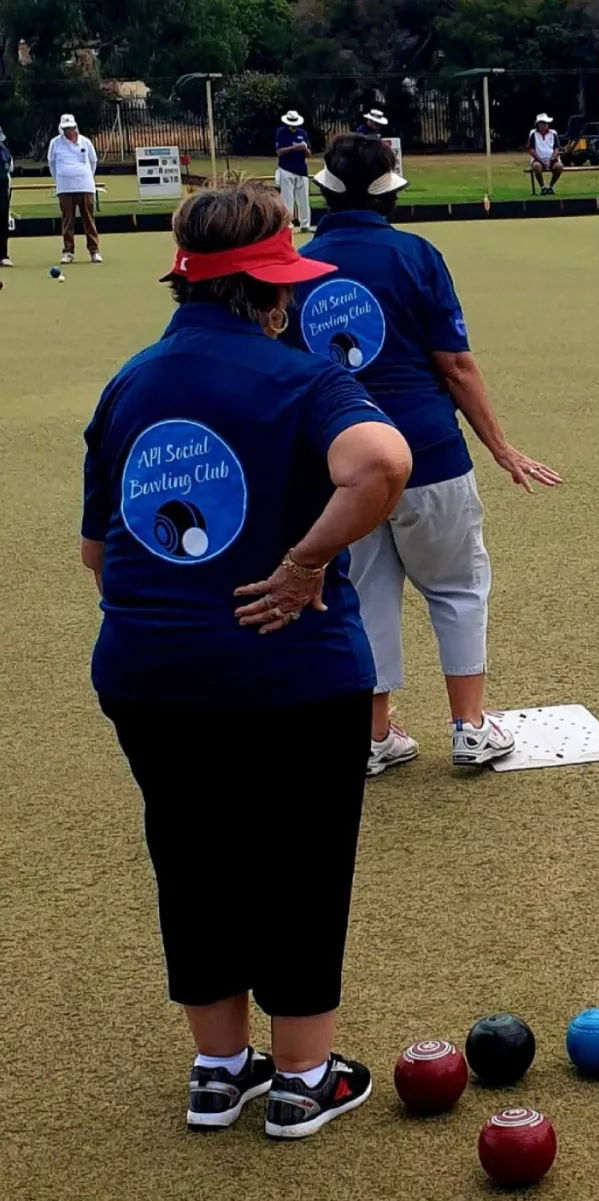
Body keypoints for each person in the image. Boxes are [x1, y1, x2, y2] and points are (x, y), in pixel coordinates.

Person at [81, 180, 413, 1137]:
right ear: (270, 293)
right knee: (300, 862)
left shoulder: (130, 384)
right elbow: (381, 464)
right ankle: (305, 1080)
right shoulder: (306, 378)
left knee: (191, 857)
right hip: (292, 672)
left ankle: (219, 1072)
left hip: (148, 672)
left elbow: (100, 554)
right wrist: (305, 561)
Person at [291, 135, 561, 774]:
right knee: (458, 587)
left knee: (364, 595)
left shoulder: (299, 268)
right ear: (391, 194)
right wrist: (500, 448)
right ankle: (470, 728)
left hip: (342, 467)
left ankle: (374, 736)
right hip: (430, 456)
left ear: (326, 193)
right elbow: (456, 365)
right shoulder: (417, 255)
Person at [48, 113, 101, 263]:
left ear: (75, 126)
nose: (68, 131)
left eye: (70, 128)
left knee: (88, 219)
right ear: (61, 129)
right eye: (65, 129)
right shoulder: (55, 143)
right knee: (67, 221)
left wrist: (86, 177)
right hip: (64, 187)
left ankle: (94, 251)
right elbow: (51, 164)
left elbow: (93, 161)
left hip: (85, 185)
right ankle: (68, 252)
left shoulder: (85, 142)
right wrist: (60, 179)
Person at [275, 110, 313, 233]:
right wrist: (295, 147)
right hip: (286, 169)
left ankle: (305, 224)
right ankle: (288, 225)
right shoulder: (281, 132)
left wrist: (304, 149)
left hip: (301, 170)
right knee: (287, 199)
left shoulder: (302, 133)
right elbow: (279, 151)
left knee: (303, 199)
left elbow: (309, 154)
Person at [528, 114, 562, 195]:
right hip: (538, 159)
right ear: (538, 125)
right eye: (543, 123)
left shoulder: (553, 133)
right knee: (537, 166)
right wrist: (542, 161)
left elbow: (556, 149)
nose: (545, 125)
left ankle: (550, 187)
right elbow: (532, 150)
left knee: (559, 166)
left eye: (546, 123)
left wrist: (552, 159)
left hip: (551, 159)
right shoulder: (533, 133)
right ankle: (542, 187)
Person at [0, 125, 12, 267]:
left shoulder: (5, 152)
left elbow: (9, 170)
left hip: (2, 190)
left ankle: (3, 256)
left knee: (2, 223)